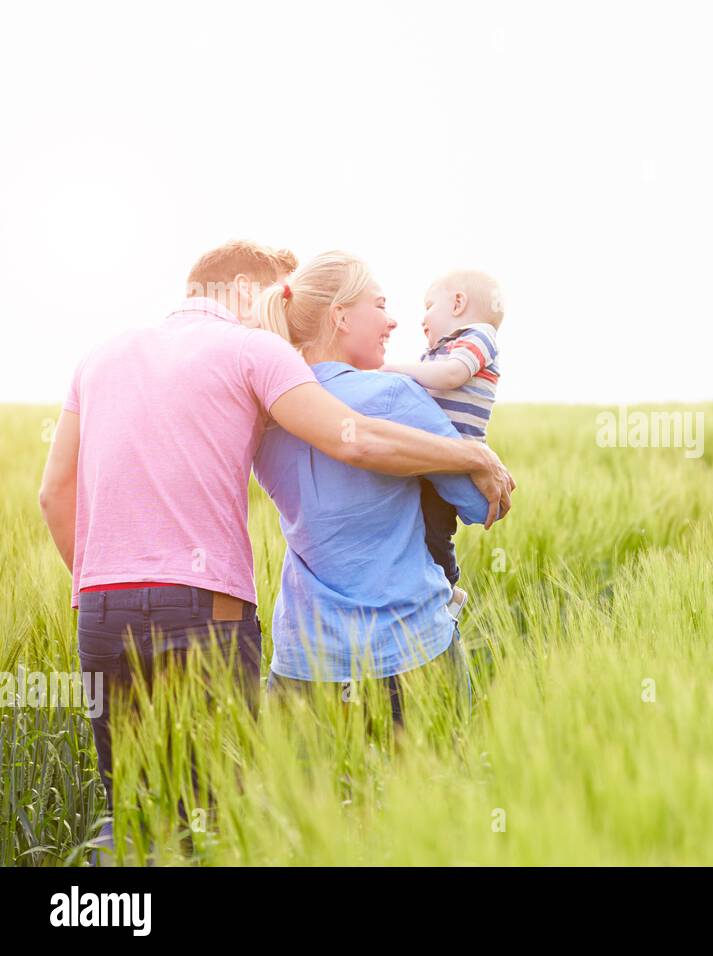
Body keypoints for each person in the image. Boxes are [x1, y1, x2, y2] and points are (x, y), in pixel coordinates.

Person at [36, 240, 514, 855]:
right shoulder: (266, 361)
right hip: (270, 621)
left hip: (158, 624)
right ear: (245, 289)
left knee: (137, 814)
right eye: (269, 299)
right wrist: (474, 450)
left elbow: (53, 494)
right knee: (228, 817)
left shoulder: (110, 358)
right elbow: (366, 446)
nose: (274, 317)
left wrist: (99, 591)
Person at [253, 252, 486, 723]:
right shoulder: (395, 396)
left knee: (308, 798)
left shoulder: (267, 419)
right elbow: (480, 503)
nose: (394, 320)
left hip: (303, 660)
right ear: (340, 316)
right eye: (380, 305)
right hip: (410, 650)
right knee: (436, 792)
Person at [381, 269, 503, 621]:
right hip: (429, 457)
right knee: (412, 528)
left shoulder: (479, 337)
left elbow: (451, 376)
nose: (423, 317)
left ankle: (447, 590)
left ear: (458, 302)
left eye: (429, 305)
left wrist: (393, 369)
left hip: (452, 460)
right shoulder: (437, 353)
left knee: (434, 531)